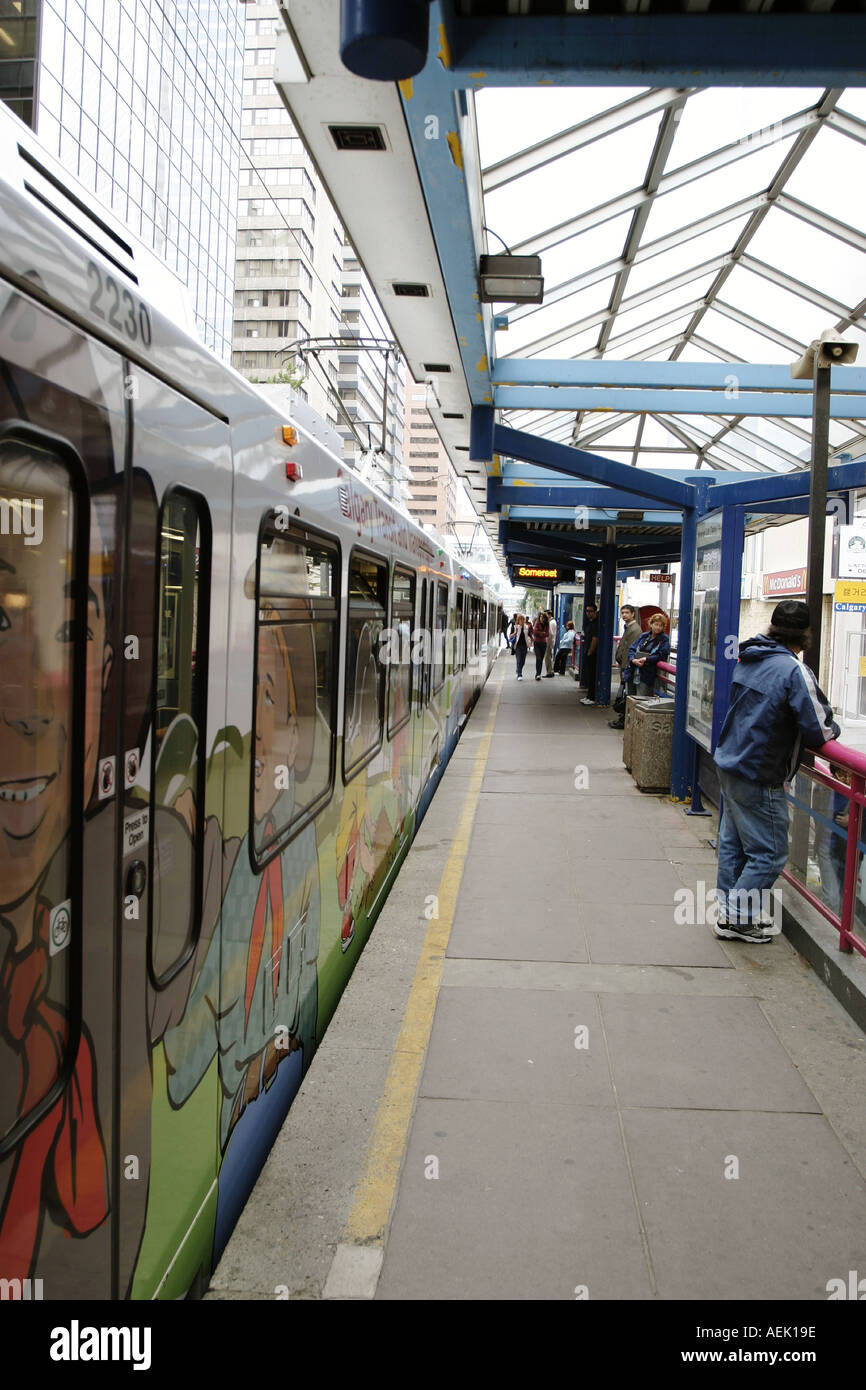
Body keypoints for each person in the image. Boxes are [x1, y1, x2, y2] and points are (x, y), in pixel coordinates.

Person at [713, 600, 840, 945]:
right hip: (759, 770)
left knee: (734, 844)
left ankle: (730, 910)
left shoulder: (751, 658)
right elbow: (820, 729)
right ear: (806, 634)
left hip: (730, 761)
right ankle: (737, 918)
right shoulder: (792, 670)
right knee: (769, 853)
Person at [609, 604, 643, 729]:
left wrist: (625, 668)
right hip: (625, 666)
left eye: (627, 612)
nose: (624, 615)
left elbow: (630, 650)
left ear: (633, 614)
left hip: (627, 667)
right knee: (624, 692)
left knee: (627, 693)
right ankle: (623, 719)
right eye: (622, 612)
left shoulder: (634, 629)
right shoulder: (629, 627)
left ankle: (623, 720)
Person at [625, 612, 670, 697]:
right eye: (656, 624)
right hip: (633, 670)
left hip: (647, 673)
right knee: (630, 697)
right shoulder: (644, 636)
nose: (658, 627)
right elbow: (632, 648)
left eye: (661, 626)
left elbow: (662, 655)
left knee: (642, 698)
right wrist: (633, 659)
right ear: (651, 624)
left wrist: (646, 659)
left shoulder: (664, 639)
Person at [579, 603, 599, 705]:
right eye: (587, 611)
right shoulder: (589, 622)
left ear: (595, 612)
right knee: (589, 675)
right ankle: (589, 696)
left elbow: (595, 639)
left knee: (592, 675)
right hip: (588, 650)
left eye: (591, 611)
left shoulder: (596, 623)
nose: (588, 613)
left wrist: (590, 652)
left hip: (592, 653)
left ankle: (592, 697)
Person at [532, 608, 550, 681]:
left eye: (543, 618)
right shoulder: (537, 623)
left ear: (545, 619)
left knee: (541, 659)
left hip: (543, 644)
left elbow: (547, 634)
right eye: (541, 617)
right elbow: (534, 632)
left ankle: (538, 673)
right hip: (537, 643)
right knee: (538, 658)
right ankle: (537, 674)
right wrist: (542, 633)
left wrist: (540, 633)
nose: (542, 619)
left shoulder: (547, 624)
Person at [510, 614, 529, 680]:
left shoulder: (526, 627)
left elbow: (529, 636)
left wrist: (530, 642)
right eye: (520, 620)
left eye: (523, 620)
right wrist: (515, 632)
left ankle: (518, 670)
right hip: (517, 646)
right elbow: (510, 636)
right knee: (518, 660)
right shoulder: (515, 627)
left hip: (525, 646)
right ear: (518, 621)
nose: (522, 621)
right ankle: (519, 674)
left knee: (523, 661)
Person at [544, 610, 557, 677]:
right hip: (550, 641)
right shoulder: (552, 622)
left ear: (549, 615)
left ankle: (549, 672)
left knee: (547, 657)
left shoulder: (551, 622)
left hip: (549, 641)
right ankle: (550, 671)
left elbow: (550, 633)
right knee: (549, 656)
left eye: (546, 615)